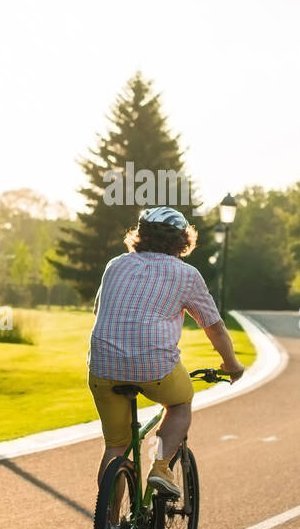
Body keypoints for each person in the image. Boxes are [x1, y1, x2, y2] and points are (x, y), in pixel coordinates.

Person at [88, 206, 245, 499]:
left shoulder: (115, 264)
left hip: (103, 366)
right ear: (182, 241)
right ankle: (160, 466)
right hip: (155, 368)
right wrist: (231, 364)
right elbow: (215, 327)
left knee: (115, 447)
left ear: (141, 235)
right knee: (180, 403)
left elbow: (100, 309)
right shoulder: (186, 275)